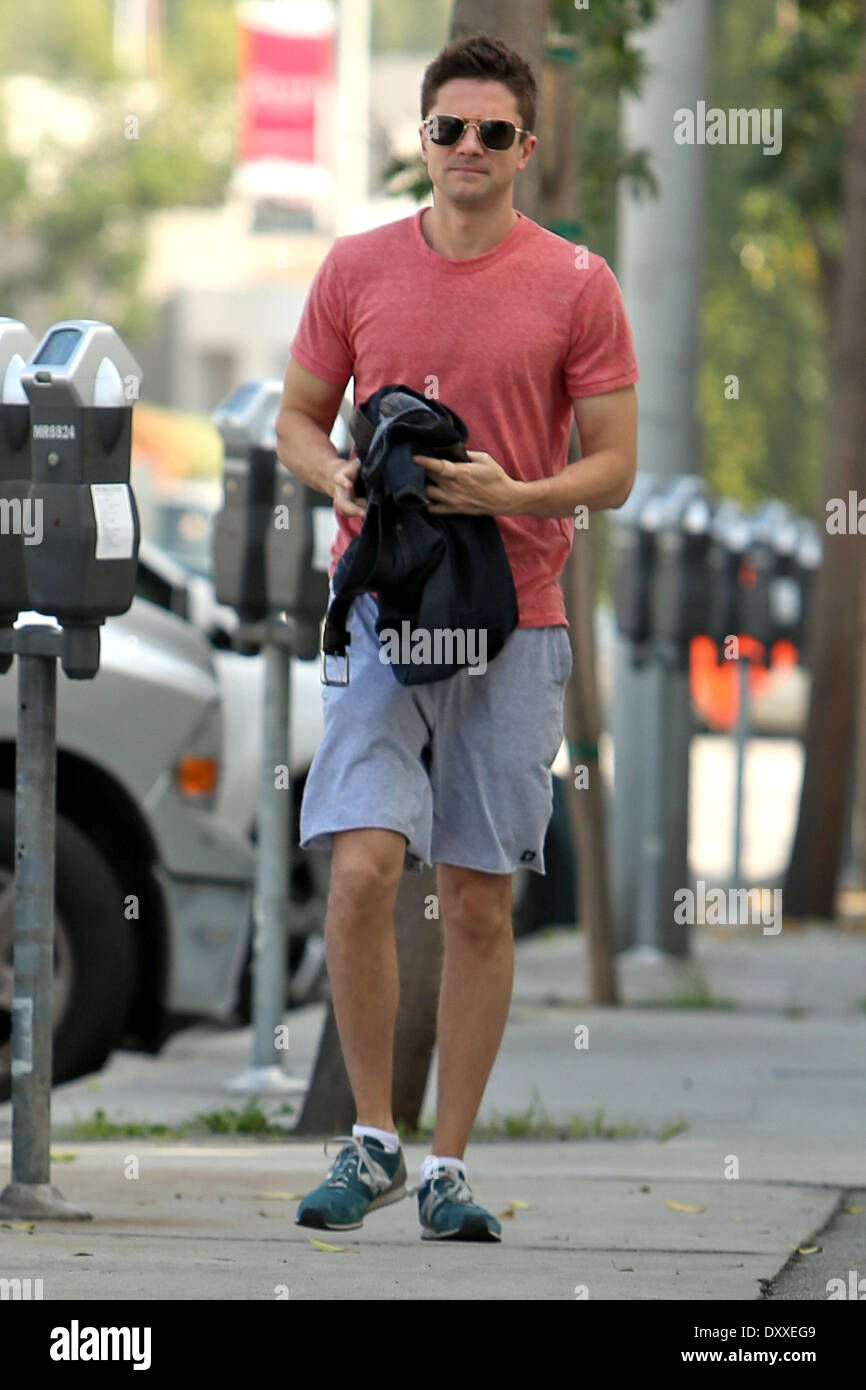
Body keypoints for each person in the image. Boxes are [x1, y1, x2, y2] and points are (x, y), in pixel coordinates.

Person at [275, 31, 639, 1242]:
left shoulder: (576, 283)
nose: (467, 149)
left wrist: (510, 495)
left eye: (492, 132)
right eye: (447, 130)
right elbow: (292, 417)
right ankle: (371, 1137)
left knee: (479, 900)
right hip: (381, 608)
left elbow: (617, 468)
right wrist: (333, 475)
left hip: (515, 619)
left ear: (523, 149)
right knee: (364, 863)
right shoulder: (356, 266)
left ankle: (446, 1164)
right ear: (419, 143)